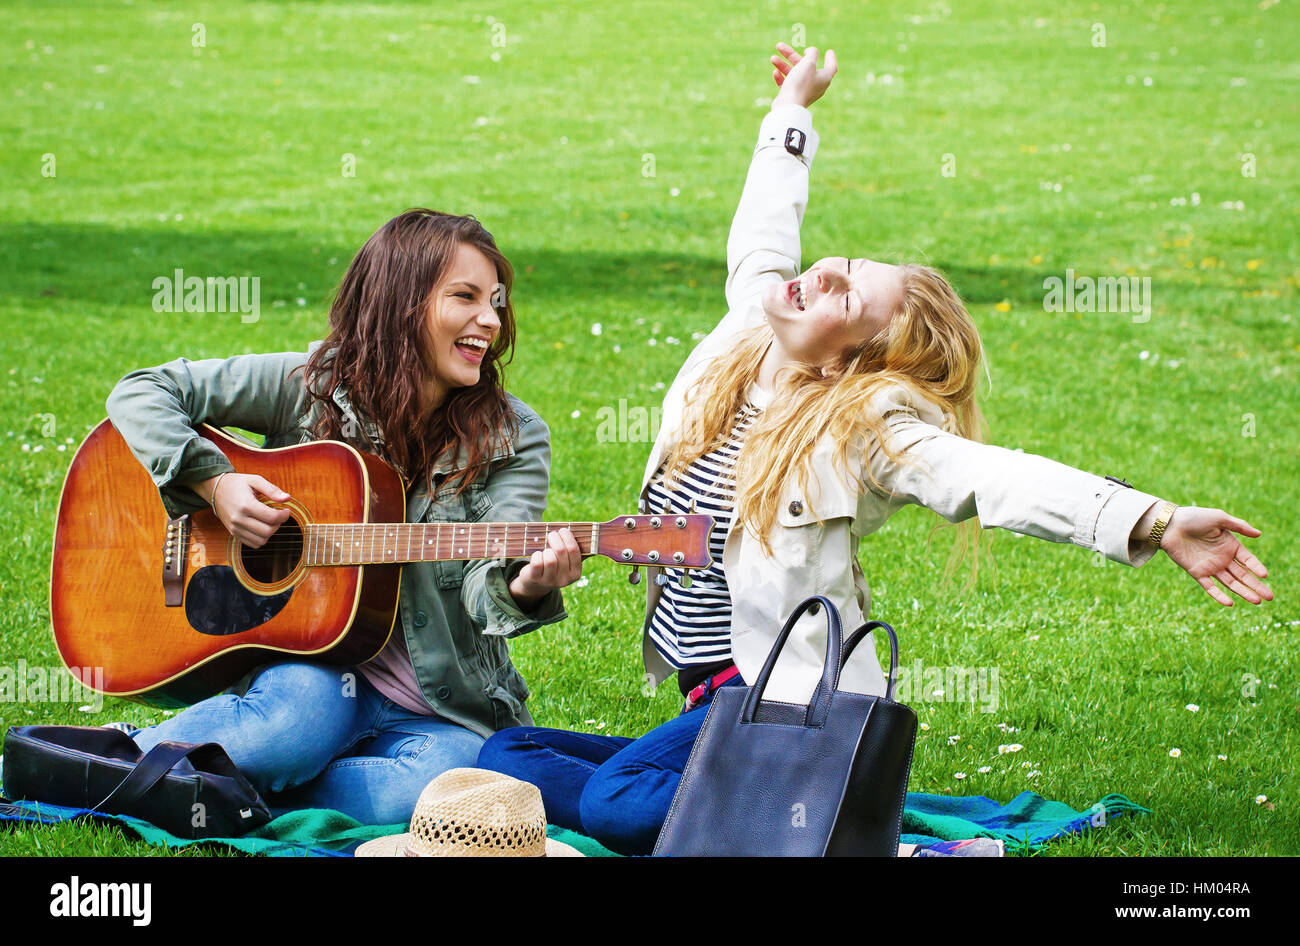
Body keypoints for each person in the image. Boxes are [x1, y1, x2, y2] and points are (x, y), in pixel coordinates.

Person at [477, 45, 1273, 855]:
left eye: (847, 296)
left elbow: (990, 479)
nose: (822, 277)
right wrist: (793, 110)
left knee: (616, 806)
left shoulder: (862, 428)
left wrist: (1152, 520)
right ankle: (779, 809)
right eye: (843, 266)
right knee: (507, 756)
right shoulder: (745, 333)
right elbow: (765, 228)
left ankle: (818, 813)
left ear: (850, 360)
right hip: (713, 703)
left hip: (794, 708)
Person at [105, 209, 585, 825]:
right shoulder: (310, 385)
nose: (490, 320)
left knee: (429, 798)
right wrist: (215, 484)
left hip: (440, 708)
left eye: (495, 301)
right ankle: (99, 759)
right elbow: (142, 391)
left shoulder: (513, 437)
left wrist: (527, 583)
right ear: (397, 303)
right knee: (288, 731)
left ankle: (216, 787)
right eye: (464, 297)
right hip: (316, 670)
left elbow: (488, 574)